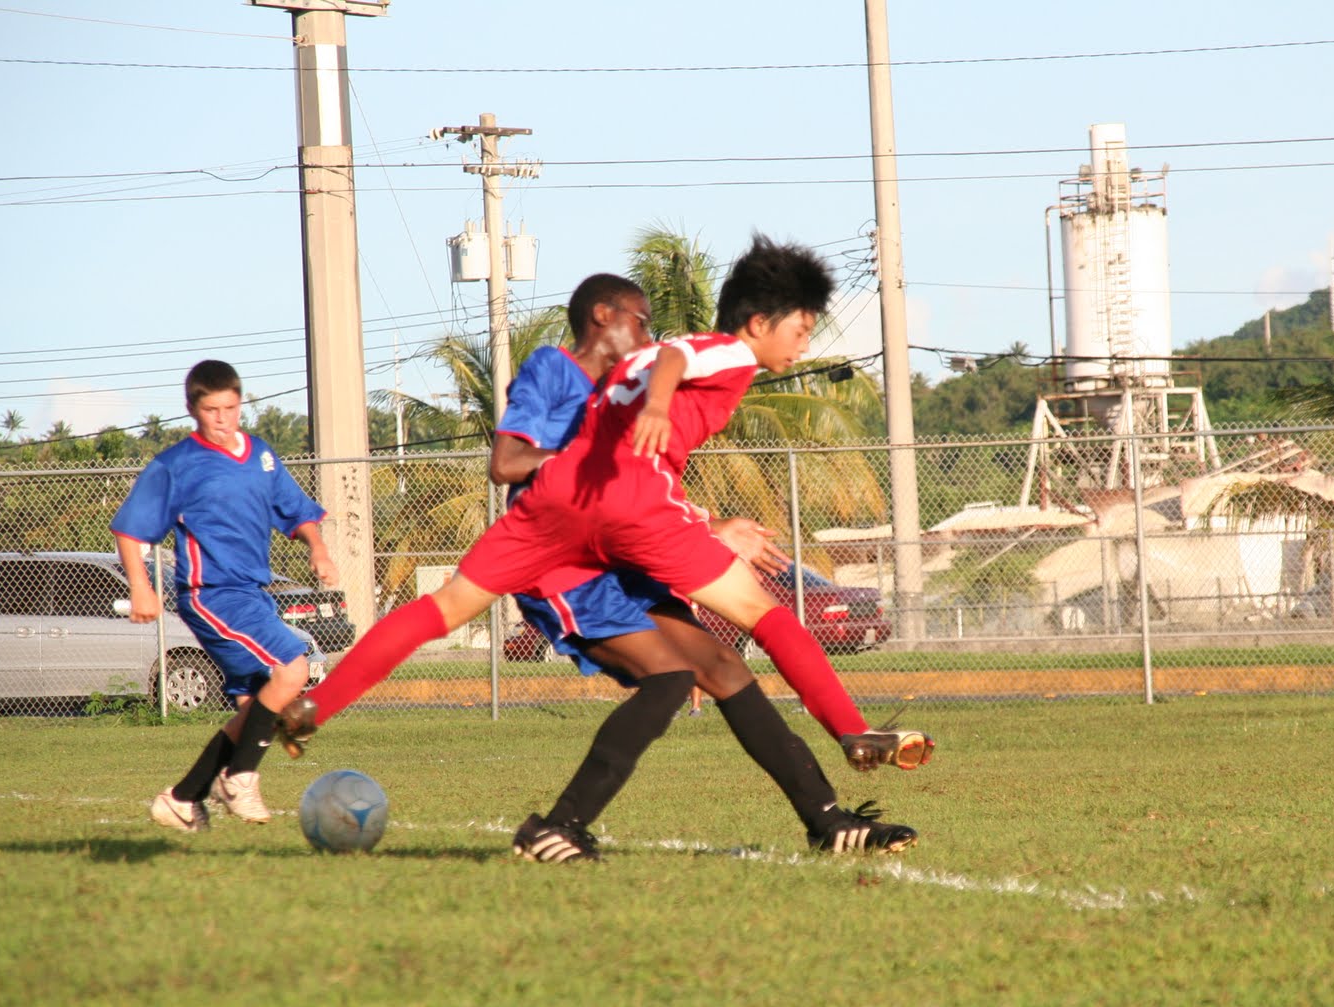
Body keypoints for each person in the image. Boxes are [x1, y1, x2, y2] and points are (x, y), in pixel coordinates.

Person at [275, 236, 934, 853]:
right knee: (766, 615)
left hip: (560, 501)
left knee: (447, 608)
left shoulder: (639, 358)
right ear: (759, 323)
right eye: (801, 327)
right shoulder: (724, 351)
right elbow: (672, 363)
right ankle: (850, 728)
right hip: (633, 503)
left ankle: (315, 705)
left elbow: (640, 378)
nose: (804, 341)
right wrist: (658, 415)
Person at [489, 273, 919, 860]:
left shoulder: (621, 392)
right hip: (566, 561)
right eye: (639, 322)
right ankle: (556, 825)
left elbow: (632, 493)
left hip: (614, 553)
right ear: (601, 317)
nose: (648, 336)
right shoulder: (559, 373)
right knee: (671, 678)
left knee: (722, 665)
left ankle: (827, 819)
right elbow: (515, 465)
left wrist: (707, 526)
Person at [113, 359, 337, 832]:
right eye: (212, 410)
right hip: (210, 594)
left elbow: (297, 511)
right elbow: (131, 530)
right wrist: (140, 585)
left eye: (230, 408)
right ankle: (240, 777)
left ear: (240, 403)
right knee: (293, 668)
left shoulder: (260, 454)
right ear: (193, 409)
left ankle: (182, 797)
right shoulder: (176, 465)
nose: (222, 419)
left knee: (257, 710)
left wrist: (318, 549)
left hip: (253, 594)